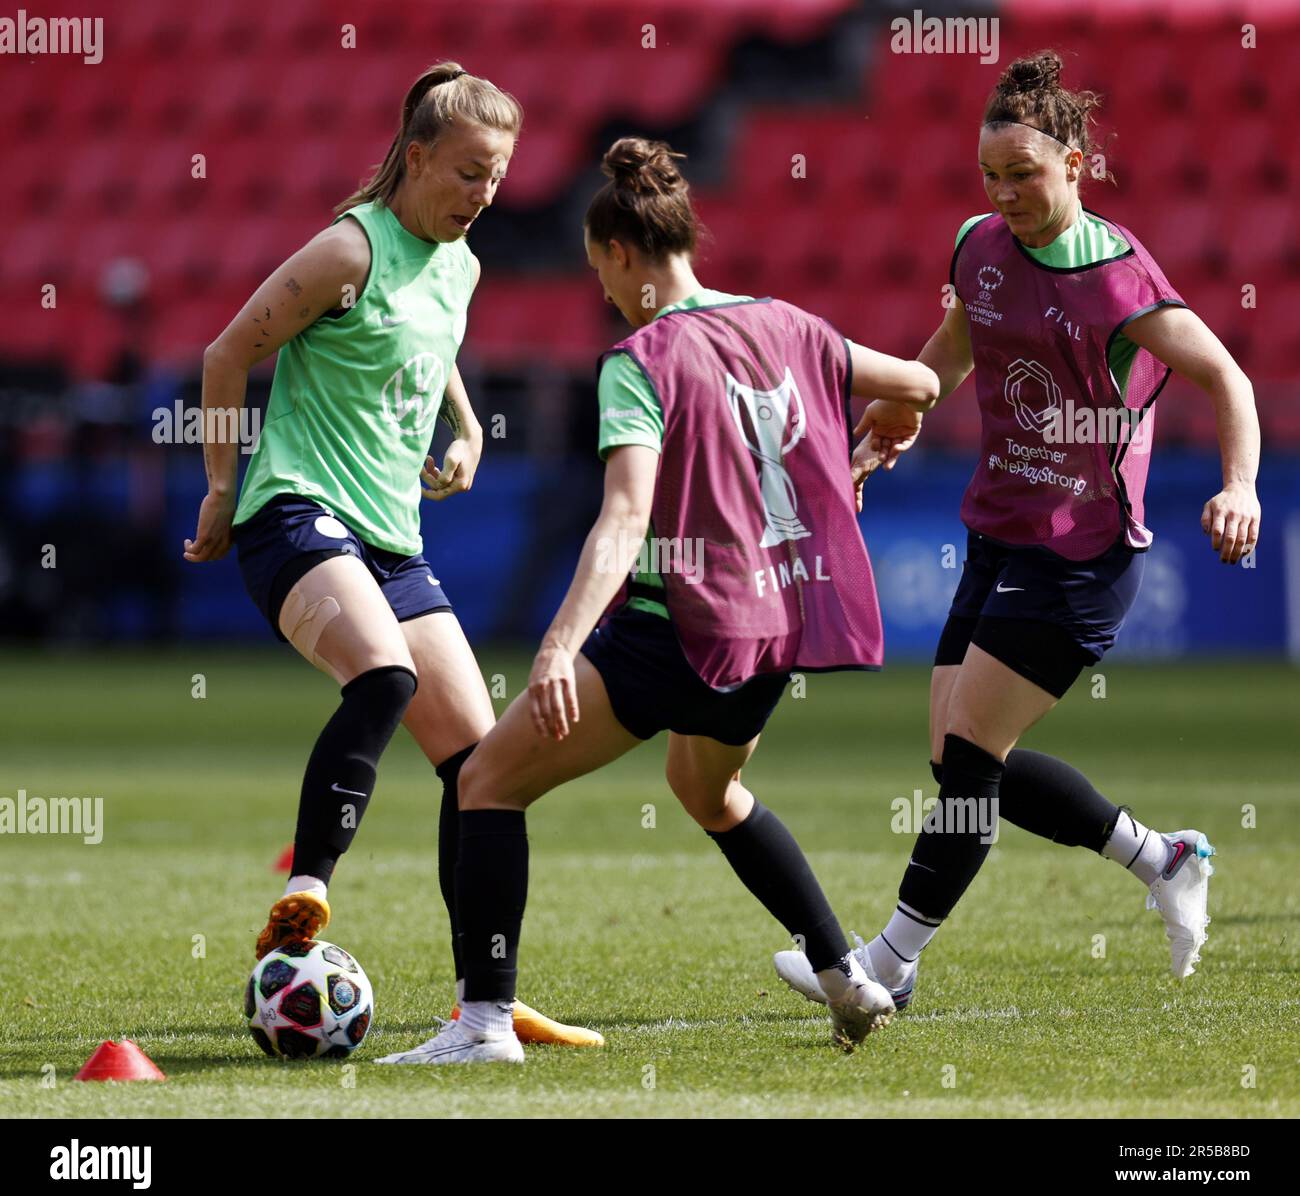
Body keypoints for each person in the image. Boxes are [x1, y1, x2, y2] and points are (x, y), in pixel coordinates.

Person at [375, 136, 940, 1066]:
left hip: (669, 628)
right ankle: (846, 974)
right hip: (772, 629)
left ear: (624, 254)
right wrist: (887, 425)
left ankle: (482, 1024)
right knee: (707, 790)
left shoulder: (640, 361)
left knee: (485, 783)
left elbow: (625, 516)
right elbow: (918, 382)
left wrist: (558, 645)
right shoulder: (786, 324)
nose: (601, 289)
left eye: (600, 269)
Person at [775, 51, 1260, 1013]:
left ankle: (889, 962)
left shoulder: (1121, 279)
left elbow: (1230, 379)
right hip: (998, 530)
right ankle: (1163, 857)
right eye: (991, 177)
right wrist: (889, 428)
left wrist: (1239, 483)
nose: (1007, 194)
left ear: (1074, 163)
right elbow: (950, 354)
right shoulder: (978, 246)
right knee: (960, 761)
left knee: (966, 759)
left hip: (1083, 553)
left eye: (1025, 174)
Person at [184, 61, 600, 1048]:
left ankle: (483, 1006)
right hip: (294, 516)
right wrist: (216, 488)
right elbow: (224, 353)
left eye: (496, 177)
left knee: (487, 768)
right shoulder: (343, 250)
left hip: (390, 542)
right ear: (415, 158)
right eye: (468, 173)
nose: (484, 195)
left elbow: (434, 339)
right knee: (383, 677)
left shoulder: (460, 265)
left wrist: (466, 428)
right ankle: (306, 892)